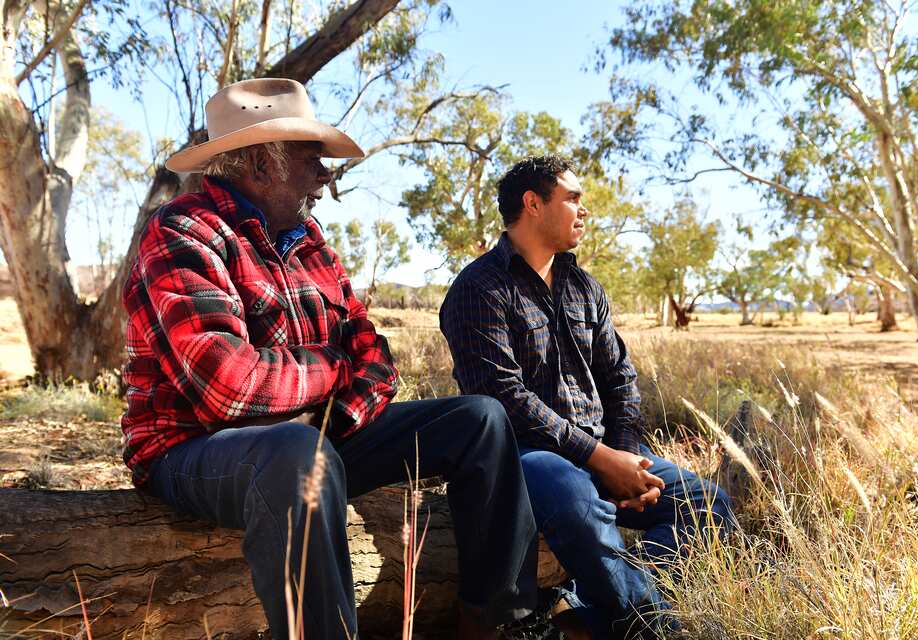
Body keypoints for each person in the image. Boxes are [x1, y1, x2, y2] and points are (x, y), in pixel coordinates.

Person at [121, 78, 537, 639]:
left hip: (311, 435)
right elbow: (227, 384)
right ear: (258, 164)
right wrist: (334, 370)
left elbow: (377, 359)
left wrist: (334, 417)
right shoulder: (182, 232)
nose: (325, 175)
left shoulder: (309, 238)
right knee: (297, 453)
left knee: (479, 421)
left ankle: (491, 623)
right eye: (311, 158)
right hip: (192, 450)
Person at [439, 155, 736, 639]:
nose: (584, 210)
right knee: (574, 498)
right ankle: (652, 626)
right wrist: (599, 460)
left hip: (603, 451)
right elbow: (502, 397)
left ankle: (581, 616)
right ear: (532, 204)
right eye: (572, 198)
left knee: (709, 504)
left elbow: (620, 378)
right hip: (525, 456)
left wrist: (626, 457)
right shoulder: (479, 289)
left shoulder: (584, 288)